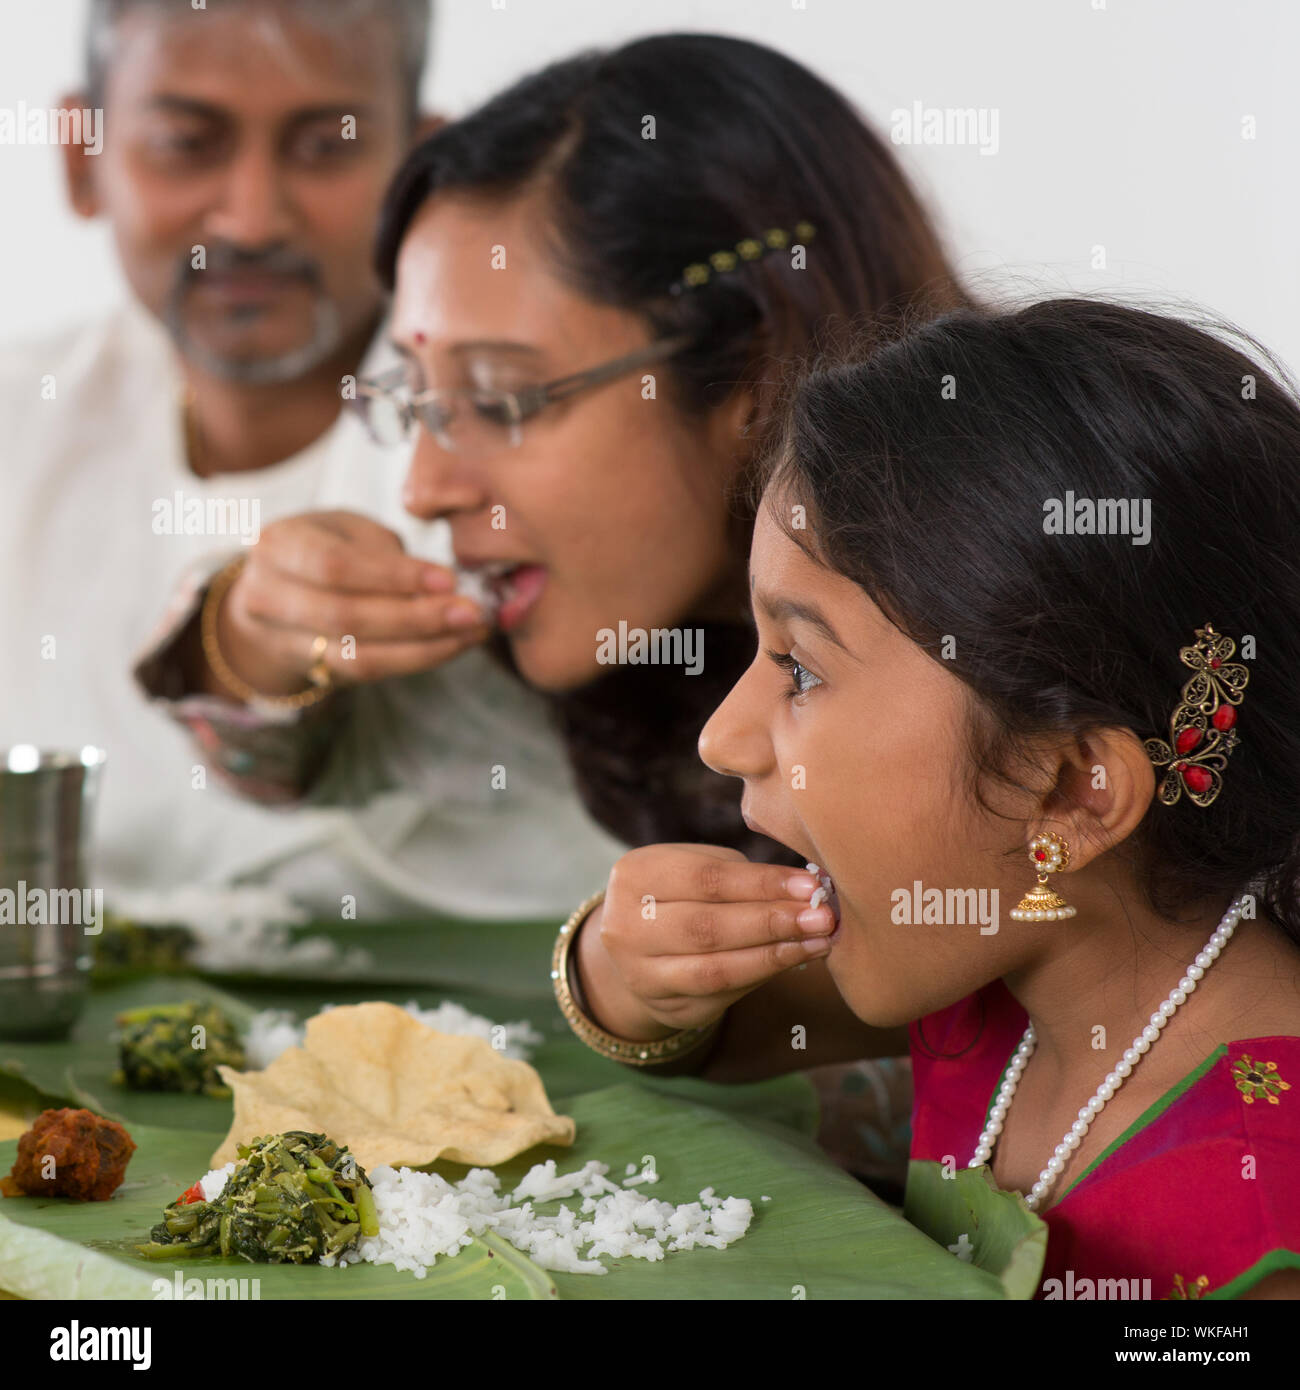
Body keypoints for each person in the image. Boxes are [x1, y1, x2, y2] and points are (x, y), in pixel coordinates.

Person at [137, 32, 968, 1186]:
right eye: (416, 398)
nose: (426, 488)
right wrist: (253, 630)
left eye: (499, 397)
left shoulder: (1012, 624)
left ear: (752, 375)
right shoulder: (577, 638)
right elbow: (289, 746)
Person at [571, 297, 1300, 1298]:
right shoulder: (992, 955)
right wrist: (622, 964)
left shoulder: (1264, 1199)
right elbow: (719, 1022)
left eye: (801, 667)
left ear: (1069, 789)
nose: (721, 736)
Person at [0, 0, 626, 919]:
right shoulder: (25, 416)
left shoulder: (566, 417)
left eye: (324, 146)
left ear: (424, 170)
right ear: (80, 156)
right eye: (186, 141)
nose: (252, 217)